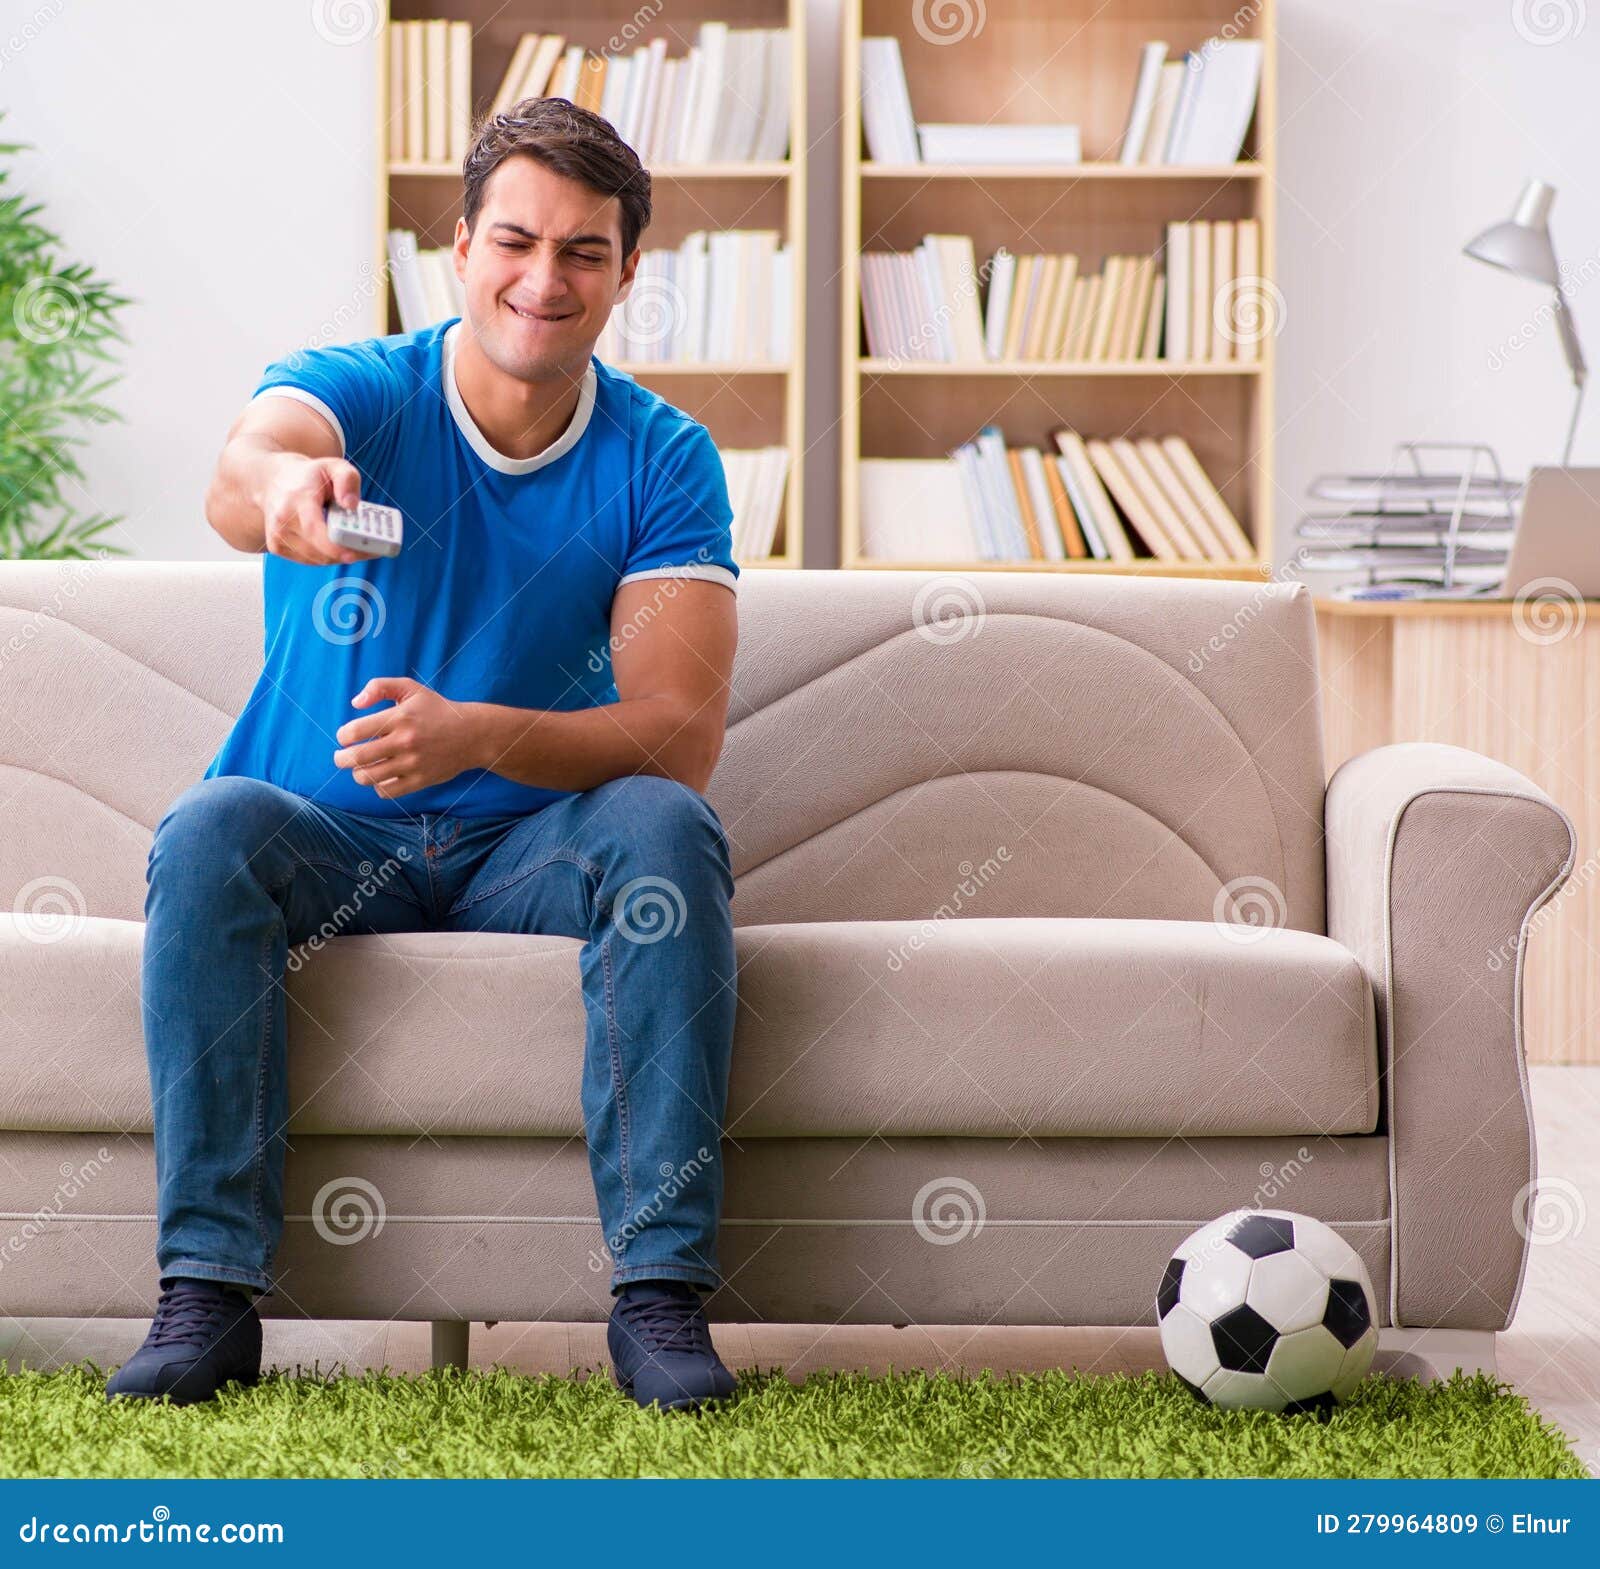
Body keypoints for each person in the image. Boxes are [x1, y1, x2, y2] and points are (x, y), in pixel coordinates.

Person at [106, 97, 742, 1413]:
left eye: (582, 252)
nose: (543, 279)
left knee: (664, 828)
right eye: (515, 240)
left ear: (628, 274)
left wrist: (477, 734)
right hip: (326, 838)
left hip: (529, 847)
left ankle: (660, 1298)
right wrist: (288, 492)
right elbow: (247, 467)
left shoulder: (664, 459)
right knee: (208, 828)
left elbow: (678, 736)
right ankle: (207, 1294)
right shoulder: (366, 389)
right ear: (459, 248)